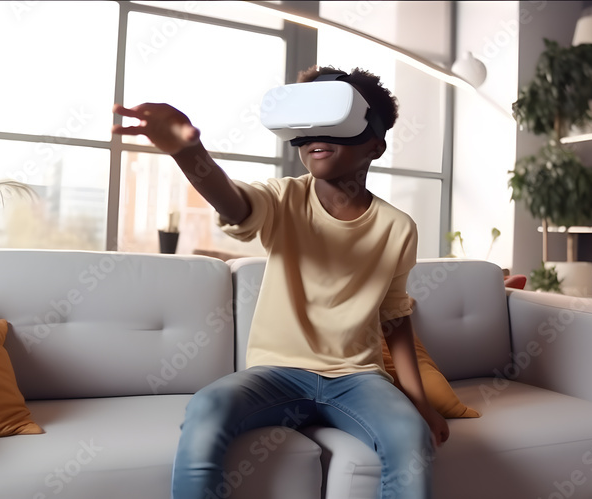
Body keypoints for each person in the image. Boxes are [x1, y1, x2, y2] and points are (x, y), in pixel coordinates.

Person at [112, 65, 448, 499]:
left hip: (357, 377)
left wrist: (420, 404)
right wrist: (188, 153)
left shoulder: (398, 227)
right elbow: (236, 207)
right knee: (208, 406)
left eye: (335, 120)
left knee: (409, 437)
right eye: (308, 126)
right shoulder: (284, 199)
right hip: (278, 374)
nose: (316, 136)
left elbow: (394, 315)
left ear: (375, 145)